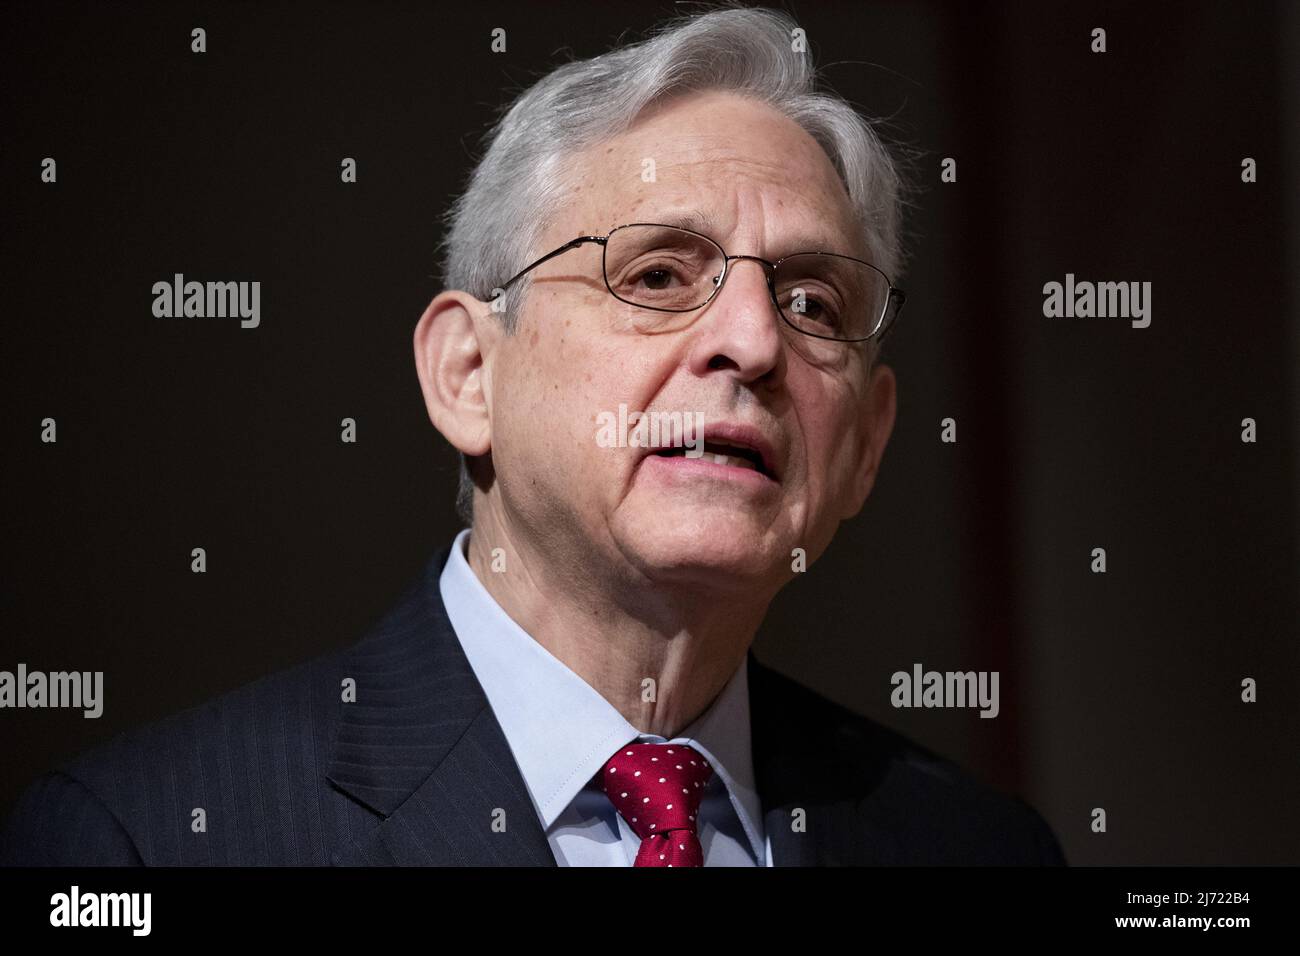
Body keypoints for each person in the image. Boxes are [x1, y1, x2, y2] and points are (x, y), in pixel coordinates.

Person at [0, 5, 1065, 867]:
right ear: (469, 374)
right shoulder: (144, 840)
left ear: (866, 446)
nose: (751, 341)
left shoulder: (975, 846)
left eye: (813, 304)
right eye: (656, 275)